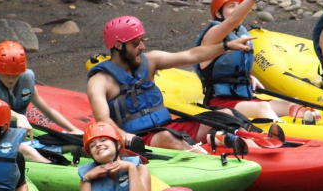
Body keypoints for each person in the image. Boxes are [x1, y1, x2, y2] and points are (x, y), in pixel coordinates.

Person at [87, 14, 251, 150]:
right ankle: (208, 158)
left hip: (170, 127)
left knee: (224, 115)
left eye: (142, 40)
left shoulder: (151, 61)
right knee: (167, 137)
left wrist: (226, 46)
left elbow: (191, 56)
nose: (142, 47)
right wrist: (128, 138)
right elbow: (103, 120)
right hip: (141, 139)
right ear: (117, 45)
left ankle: (255, 145)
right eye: (136, 43)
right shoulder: (100, 81)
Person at [195, 0, 316, 133]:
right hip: (219, 102)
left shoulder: (239, 32)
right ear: (219, 13)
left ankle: (315, 122)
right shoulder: (213, 34)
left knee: (290, 103)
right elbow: (233, 20)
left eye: (239, 5)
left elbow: (231, 66)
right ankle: (287, 133)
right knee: (262, 106)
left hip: (243, 99)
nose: (237, 9)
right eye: (232, 6)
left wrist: (249, 77)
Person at [0, 40, 81, 163]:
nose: (10, 79)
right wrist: (19, 117)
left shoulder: (26, 81)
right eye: (6, 75)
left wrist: (73, 130)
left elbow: (48, 111)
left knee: (78, 141)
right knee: (24, 150)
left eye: (15, 75)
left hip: (19, 137)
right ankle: (54, 165)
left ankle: (54, 153)